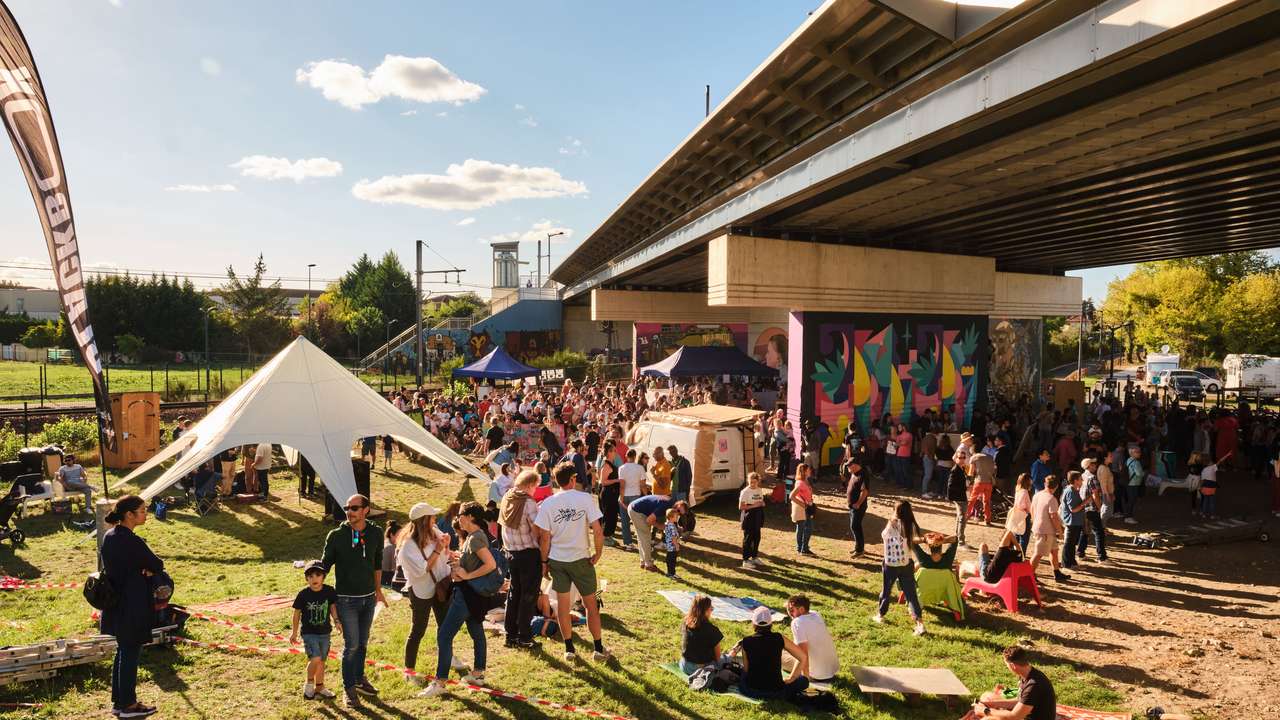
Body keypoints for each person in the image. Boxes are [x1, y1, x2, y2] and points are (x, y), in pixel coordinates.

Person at [534, 463, 611, 662]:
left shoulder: (549, 503)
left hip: (558, 560)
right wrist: (599, 552)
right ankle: (598, 649)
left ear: (555, 480)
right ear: (573, 479)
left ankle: (569, 649)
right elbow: (598, 529)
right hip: (580, 559)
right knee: (590, 606)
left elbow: (544, 537)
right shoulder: (584, 498)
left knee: (563, 605)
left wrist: (543, 562)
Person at [419, 503, 495, 698]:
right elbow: (477, 561)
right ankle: (478, 674)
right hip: (473, 595)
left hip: (467, 596)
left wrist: (467, 575)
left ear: (469, 517)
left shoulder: (476, 538)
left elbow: (490, 564)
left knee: (444, 636)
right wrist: (459, 559)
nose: (457, 518)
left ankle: (440, 682)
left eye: (460, 515)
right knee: (476, 631)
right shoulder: (473, 537)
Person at [320, 493, 386, 708]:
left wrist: (378, 591)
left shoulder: (376, 533)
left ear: (366, 510)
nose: (349, 511)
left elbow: (377, 564)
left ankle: (359, 679)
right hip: (346, 600)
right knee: (352, 645)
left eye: (354, 508)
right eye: (347, 507)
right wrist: (315, 585)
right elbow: (324, 565)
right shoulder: (336, 535)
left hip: (368, 599)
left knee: (363, 643)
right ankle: (348, 689)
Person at [99, 495, 163, 718]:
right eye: (143, 510)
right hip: (132, 602)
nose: (146, 513)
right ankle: (128, 705)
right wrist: (145, 570)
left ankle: (120, 702)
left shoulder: (109, 536)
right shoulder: (132, 541)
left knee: (123, 650)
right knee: (130, 651)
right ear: (129, 515)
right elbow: (157, 564)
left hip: (116, 602)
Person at [398, 502, 451, 683]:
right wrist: (437, 549)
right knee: (418, 630)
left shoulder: (434, 531)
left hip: (440, 587)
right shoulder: (408, 547)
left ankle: (448, 657)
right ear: (424, 520)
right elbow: (422, 569)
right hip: (421, 590)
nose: (435, 519)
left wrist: (446, 546)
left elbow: (444, 556)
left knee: (445, 627)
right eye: (432, 516)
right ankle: (409, 670)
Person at [731, 605, 810, 701]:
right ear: (771, 623)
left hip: (752, 691)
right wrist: (792, 678)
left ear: (754, 624)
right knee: (804, 680)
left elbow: (747, 670)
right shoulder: (779, 638)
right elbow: (803, 657)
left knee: (742, 673)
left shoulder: (746, 641)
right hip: (777, 691)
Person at [500, 470, 541, 649]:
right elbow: (537, 529)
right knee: (528, 596)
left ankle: (511, 634)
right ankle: (525, 635)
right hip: (528, 553)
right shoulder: (528, 503)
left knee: (514, 593)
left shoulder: (508, 496)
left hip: (511, 552)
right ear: (530, 485)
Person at [874, 500, 926, 636]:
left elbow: (884, 535)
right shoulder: (911, 525)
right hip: (906, 563)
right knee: (911, 595)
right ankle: (920, 624)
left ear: (896, 511)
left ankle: (880, 614)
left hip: (890, 564)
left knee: (886, 591)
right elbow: (913, 540)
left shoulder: (892, 523)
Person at [290, 560, 340, 700]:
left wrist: (336, 621)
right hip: (309, 633)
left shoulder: (329, 591)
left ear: (323, 576)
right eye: (310, 576)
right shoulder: (303, 594)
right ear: (307, 579)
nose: (314, 579)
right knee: (315, 658)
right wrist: (294, 632)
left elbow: (332, 607)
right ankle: (309, 684)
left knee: (322, 661)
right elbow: (296, 613)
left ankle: (320, 686)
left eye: (318, 575)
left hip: (325, 632)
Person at [972, 646, 1057, 720]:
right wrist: (991, 704)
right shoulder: (1027, 673)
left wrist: (985, 711)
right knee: (986, 696)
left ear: (1013, 666)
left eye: (1007, 665)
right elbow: (1020, 701)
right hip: (1025, 712)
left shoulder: (1033, 685)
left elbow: (1014, 716)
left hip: (1024, 717)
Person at [785, 595, 838, 683]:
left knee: (779, 655)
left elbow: (803, 654)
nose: (789, 613)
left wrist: (806, 678)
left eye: (791, 610)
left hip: (816, 674)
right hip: (831, 670)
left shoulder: (797, 623)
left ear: (801, 609)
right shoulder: (816, 614)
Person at [627, 494, 687, 572]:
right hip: (636, 511)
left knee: (642, 537)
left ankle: (643, 562)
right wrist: (660, 526)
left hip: (636, 508)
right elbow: (649, 520)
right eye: (678, 511)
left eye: (680, 514)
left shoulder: (672, 504)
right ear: (677, 505)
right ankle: (648, 565)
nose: (678, 514)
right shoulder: (665, 506)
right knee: (646, 537)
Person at [1028, 477, 1069, 583]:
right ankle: (1029, 575)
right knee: (1038, 553)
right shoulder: (1051, 499)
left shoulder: (1037, 494)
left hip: (1041, 528)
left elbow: (1032, 509)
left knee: (1054, 551)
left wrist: (1034, 521)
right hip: (1046, 530)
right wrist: (1060, 532)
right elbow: (1054, 516)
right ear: (1056, 487)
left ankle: (1057, 572)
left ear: (1045, 484)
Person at [680, 594, 724, 674]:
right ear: (706, 611)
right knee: (726, 659)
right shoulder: (712, 630)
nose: (712, 611)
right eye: (711, 608)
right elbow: (718, 658)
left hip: (684, 665)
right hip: (699, 670)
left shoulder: (686, 623)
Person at [617, 449, 649, 549]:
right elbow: (643, 485)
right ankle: (641, 542)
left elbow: (622, 485)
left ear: (626, 456)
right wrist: (647, 496)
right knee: (638, 521)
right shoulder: (640, 468)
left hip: (625, 495)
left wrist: (621, 498)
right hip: (635, 496)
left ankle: (628, 543)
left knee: (625, 521)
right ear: (635, 457)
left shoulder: (622, 468)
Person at [1078, 458, 1107, 561]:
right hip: (1092, 508)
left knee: (1085, 531)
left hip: (1083, 508)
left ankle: (1080, 552)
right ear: (1089, 466)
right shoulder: (1092, 478)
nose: (1095, 465)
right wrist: (1100, 508)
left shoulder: (1081, 476)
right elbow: (1095, 495)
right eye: (1093, 464)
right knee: (1099, 532)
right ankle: (1101, 557)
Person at [1059, 472, 1087, 570]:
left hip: (1075, 521)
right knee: (1069, 543)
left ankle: (1071, 562)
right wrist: (1085, 502)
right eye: (1080, 479)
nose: (1082, 481)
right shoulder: (1071, 491)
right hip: (1072, 521)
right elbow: (1073, 509)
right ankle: (1067, 564)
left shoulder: (1072, 490)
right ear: (1075, 481)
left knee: (1072, 543)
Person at [739, 471, 766, 569]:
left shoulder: (759, 490)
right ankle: (745, 560)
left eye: (755, 482)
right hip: (749, 516)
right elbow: (741, 506)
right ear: (748, 481)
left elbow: (761, 501)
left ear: (758, 481)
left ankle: (754, 557)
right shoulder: (745, 491)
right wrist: (754, 505)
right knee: (748, 538)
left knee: (757, 537)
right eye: (751, 482)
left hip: (758, 516)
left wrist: (762, 504)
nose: (753, 484)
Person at [845, 454, 870, 557]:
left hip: (858, 506)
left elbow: (865, 491)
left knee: (855, 526)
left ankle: (860, 550)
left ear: (855, 465)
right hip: (853, 506)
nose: (848, 468)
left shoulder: (863, 475)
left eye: (849, 466)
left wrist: (858, 503)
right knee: (855, 526)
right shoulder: (854, 473)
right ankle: (858, 547)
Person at [790, 463, 816, 556]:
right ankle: (802, 549)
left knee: (806, 528)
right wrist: (802, 504)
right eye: (808, 469)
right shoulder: (801, 483)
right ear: (804, 471)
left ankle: (802, 548)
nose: (810, 471)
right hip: (802, 509)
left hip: (806, 508)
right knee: (804, 528)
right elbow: (791, 496)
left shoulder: (805, 481)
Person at [967, 450, 996, 526]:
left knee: (972, 500)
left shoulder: (974, 457)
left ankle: (966, 516)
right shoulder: (990, 457)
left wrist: (969, 482)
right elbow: (994, 470)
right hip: (989, 482)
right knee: (986, 502)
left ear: (973, 450)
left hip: (979, 481)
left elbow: (971, 472)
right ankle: (987, 520)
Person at [1007, 473, 1032, 554]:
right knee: (1024, 537)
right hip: (1024, 515)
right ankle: (1021, 554)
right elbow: (1021, 504)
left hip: (1017, 514)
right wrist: (1026, 510)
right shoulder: (1024, 491)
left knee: (1017, 533)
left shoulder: (1018, 490)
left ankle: (1015, 552)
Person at [1199, 451, 1228, 518]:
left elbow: (1202, 480)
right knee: (1212, 502)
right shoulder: (1213, 467)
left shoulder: (1203, 470)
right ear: (1209, 462)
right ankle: (1212, 515)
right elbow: (1220, 461)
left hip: (1205, 486)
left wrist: (1200, 487)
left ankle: (1203, 514)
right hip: (1212, 486)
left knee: (1205, 501)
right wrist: (1227, 455)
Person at [1123, 446, 1144, 525]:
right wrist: (1144, 473)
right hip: (1133, 484)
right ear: (1132, 453)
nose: (1139, 453)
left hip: (1128, 483)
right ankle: (1128, 517)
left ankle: (1127, 516)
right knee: (1132, 500)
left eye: (1139, 452)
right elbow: (1139, 473)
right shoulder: (1136, 462)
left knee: (1130, 500)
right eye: (1137, 452)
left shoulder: (1128, 460)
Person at [662, 507, 682, 578]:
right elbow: (673, 538)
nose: (677, 517)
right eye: (676, 516)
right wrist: (676, 546)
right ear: (670, 517)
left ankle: (671, 573)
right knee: (672, 561)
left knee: (670, 559)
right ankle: (671, 573)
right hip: (673, 546)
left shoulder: (667, 524)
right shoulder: (672, 526)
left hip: (669, 546)